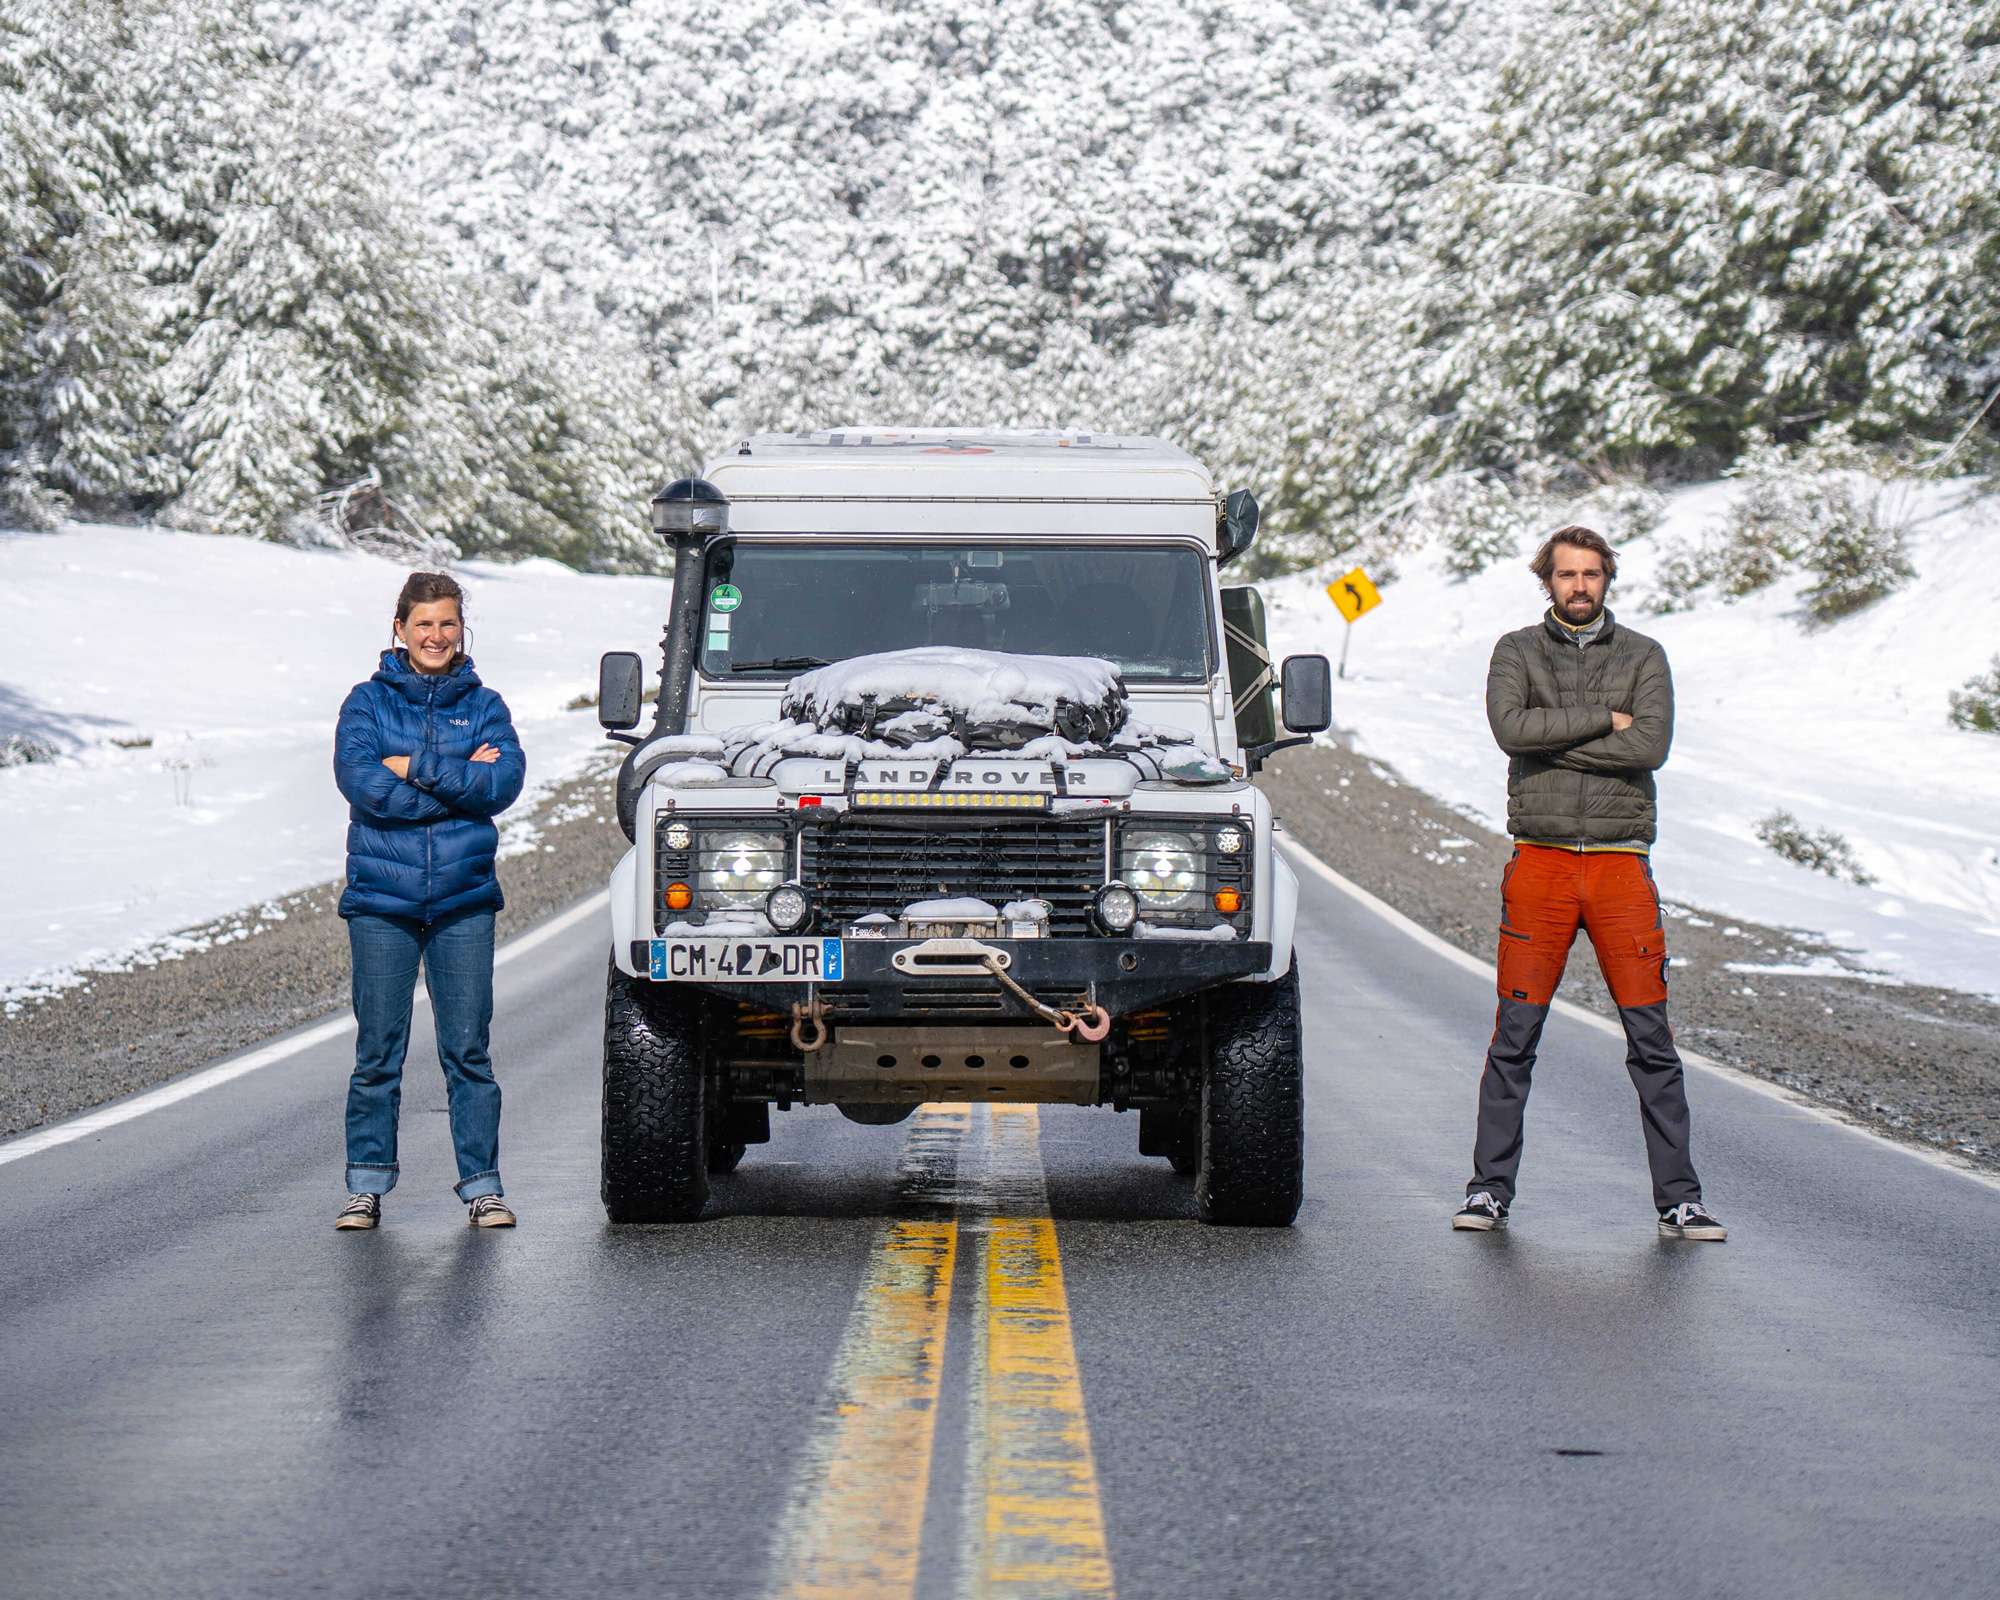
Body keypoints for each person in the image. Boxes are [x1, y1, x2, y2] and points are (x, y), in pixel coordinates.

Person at [1453, 526, 1727, 1241]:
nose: (1579, 586)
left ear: (1608, 579)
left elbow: (1651, 746)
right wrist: (1606, 719)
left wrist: (1553, 739)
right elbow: (1511, 730)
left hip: (1619, 867)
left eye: (1592, 574)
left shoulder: (1644, 654)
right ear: (1546, 580)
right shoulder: (1517, 650)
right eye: (1567, 574)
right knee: (1514, 1037)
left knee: (1652, 1040)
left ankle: (1680, 1200)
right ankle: (1488, 1192)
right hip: (1540, 865)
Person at [331, 572, 526, 1231]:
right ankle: (365, 1187)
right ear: (400, 629)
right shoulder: (366, 702)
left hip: (463, 902)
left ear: (461, 630)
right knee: (377, 1053)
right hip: (380, 903)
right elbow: (361, 782)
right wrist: (458, 783)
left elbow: (502, 783)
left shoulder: (486, 704)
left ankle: (483, 1188)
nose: (436, 636)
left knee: (468, 1051)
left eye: (447, 623)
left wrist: (412, 766)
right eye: (424, 624)